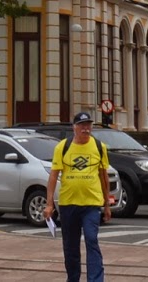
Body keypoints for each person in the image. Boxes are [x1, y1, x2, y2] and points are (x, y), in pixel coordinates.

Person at [44, 110, 113, 282]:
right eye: (82, 125)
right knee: (71, 247)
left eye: (88, 125)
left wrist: (106, 204)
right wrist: (49, 204)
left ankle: (95, 279)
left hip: (91, 204)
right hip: (69, 204)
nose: (86, 129)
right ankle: (73, 278)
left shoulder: (99, 147)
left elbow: (104, 176)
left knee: (91, 240)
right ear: (74, 127)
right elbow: (53, 176)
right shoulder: (63, 147)